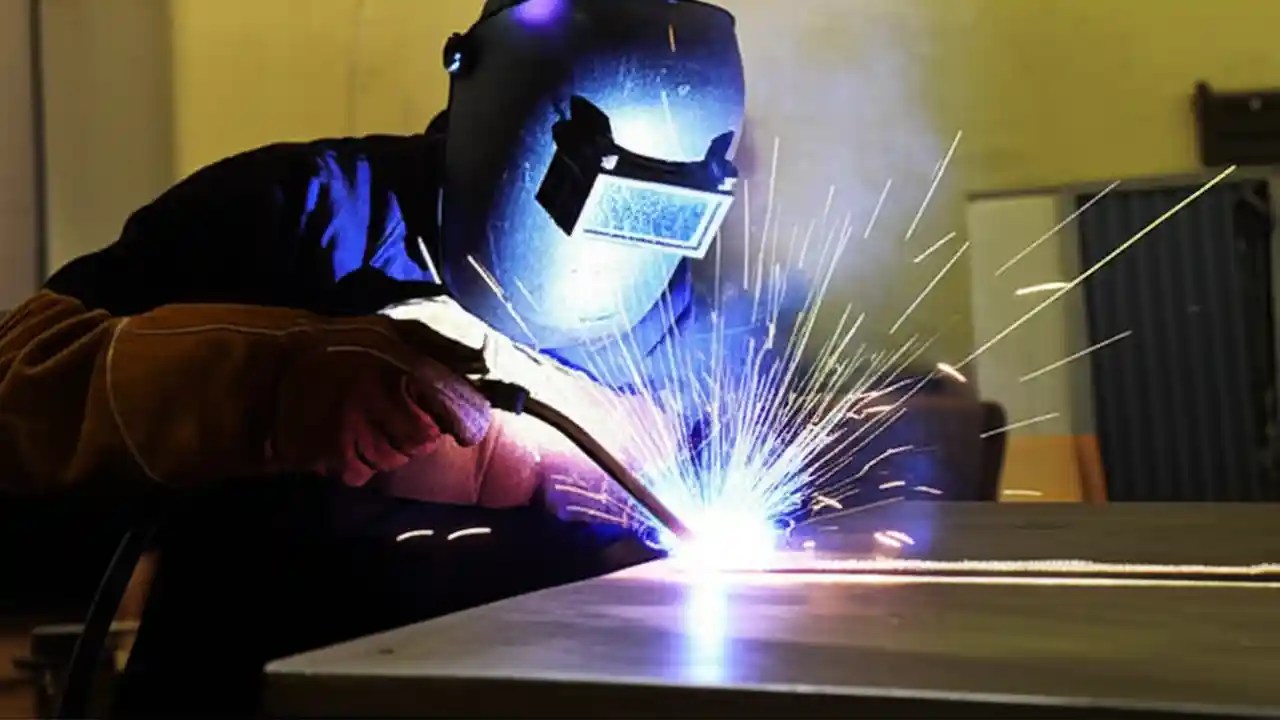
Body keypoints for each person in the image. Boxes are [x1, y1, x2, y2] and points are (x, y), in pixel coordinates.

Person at [0, 0, 744, 714]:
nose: (623, 239)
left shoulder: (663, 301)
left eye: (664, 211)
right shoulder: (297, 217)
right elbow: (19, 381)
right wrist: (267, 383)